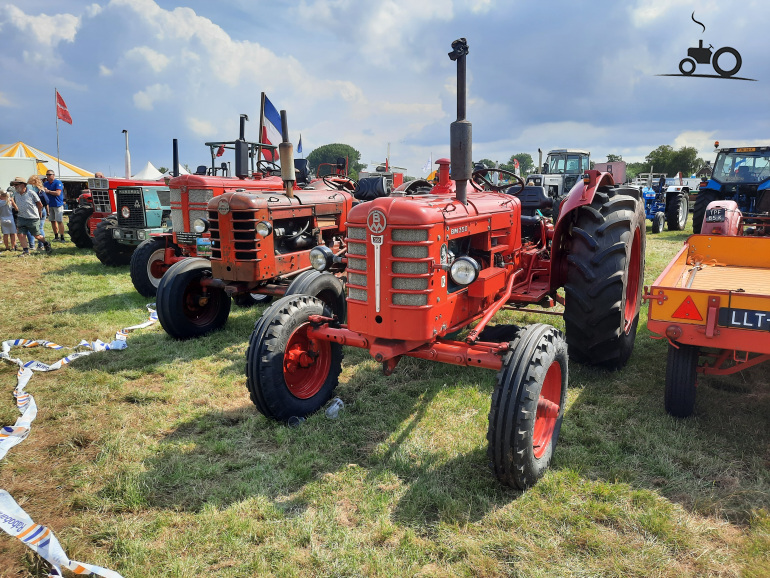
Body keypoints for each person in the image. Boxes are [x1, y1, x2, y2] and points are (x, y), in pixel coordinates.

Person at [10, 177, 51, 256]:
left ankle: (46, 243)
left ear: (22, 185)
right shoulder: (15, 194)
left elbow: (40, 204)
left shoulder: (31, 193)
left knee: (37, 236)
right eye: (14, 184)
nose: (14, 186)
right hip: (21, 217)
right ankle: (26, 251)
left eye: (16, 184)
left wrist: (39, 214)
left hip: (32, 218)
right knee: (21, 234)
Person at [43, 170, 66, 241]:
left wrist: (48, 191)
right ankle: (56, 236)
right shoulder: (45, 183)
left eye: (50, 174)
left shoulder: (58, 182)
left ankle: (62, 237)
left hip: (58, 204)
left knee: (59, 221)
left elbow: (58, 193)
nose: (48, 176)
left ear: (53, 175)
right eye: (47, 174)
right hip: (50, 204)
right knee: (52, 221)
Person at [27, 175, 48, 249]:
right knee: (40, 228)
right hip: (43, 209)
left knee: (30, 228)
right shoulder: (41, 188)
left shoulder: (28, 188)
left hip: (33, 210)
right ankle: (41, 245)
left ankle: (32, 245)